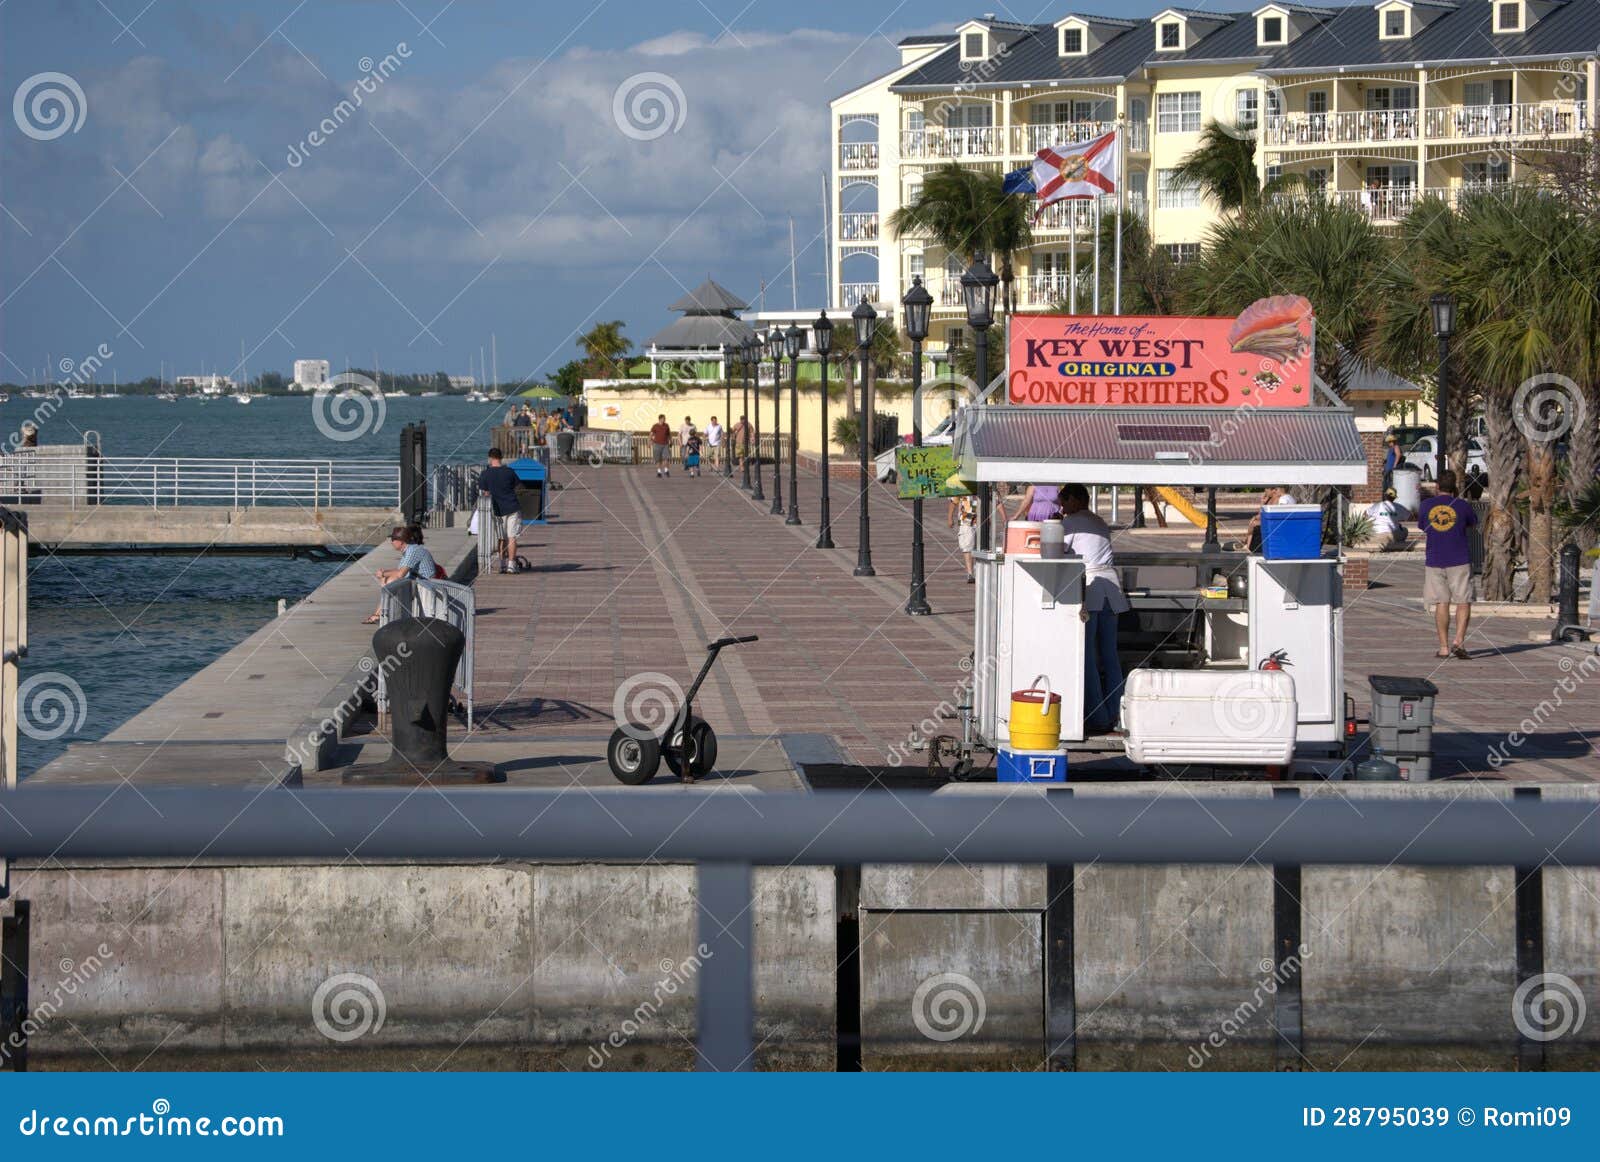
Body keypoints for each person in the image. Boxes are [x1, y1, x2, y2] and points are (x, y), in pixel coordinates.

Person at [1059, 484, 1129, 733]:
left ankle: (1097, 717)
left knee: (1087, 655)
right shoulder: (1099, 521)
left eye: (1064, 502)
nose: (1061, 508)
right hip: (1111, 587)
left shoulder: (1070, 523)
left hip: (1092, 586)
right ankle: (1118, 713)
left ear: (1076, 499)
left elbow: (1058, 552)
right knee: (1110, 655)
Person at [1419, 469, 1477, 659]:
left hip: (1435, 560)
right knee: (1463, 601)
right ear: (1455, 487)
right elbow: (1472, 524)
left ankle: (1443, 647)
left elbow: (1423, 526)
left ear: (1437, 487)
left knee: (1441, 602)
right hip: (1459, 559)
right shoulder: (1462, 506)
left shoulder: (1426, 505)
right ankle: (1458, 641)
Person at [365, 525, 439, 623]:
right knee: (388, 580)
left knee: (391, 580)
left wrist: (384, 574)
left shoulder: (413, 551)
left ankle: (381, 614)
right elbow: (400, 571)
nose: (391, 542)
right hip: (418, 582)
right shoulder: (409, 550)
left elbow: (400, 574)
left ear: (401, 541)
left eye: (393, 539)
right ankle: (380, 614)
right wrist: (384, 575)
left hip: (425, 585)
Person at [478, 447, 523, 575]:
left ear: (490, 458)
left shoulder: (485, 474)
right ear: (501, 458)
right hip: (513, 507)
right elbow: (519, 487)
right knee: (512, 537)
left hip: (498, 510)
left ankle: (502, 564)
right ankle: (511, 565)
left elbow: (485, 493)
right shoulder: (509, 471)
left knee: (501, 538)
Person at [1246, 486, 1299, 552]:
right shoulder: (1289, 497)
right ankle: (1248, 547)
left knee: (1255, 524)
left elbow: (1280, 516)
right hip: (1286, 523)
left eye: (1275, 491)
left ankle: (1250, 548)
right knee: (1255, 523)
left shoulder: (1283, 499)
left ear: (1276, 490)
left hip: (1281, 525)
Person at [1365, 487, 1410, 552]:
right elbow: (1410, 517)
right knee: (1405, 530)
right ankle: (1397, 543)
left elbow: (1365, 515)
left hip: (1377, 536)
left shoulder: (1377, 506)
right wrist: (1397, 518)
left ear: (1385, 495)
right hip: (1393, 536)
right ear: (1394, 498)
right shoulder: (1399, 507)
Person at [948, 493, 977, 583]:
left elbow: (997, 502)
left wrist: (1004, 518)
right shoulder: (962, 487)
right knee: (967, 546)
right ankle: (970, 573)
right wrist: (950, 518)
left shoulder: (985, 484)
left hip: (982, 518)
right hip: (965, 518)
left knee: (981, 547)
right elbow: (953, 502)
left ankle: (977, 570)